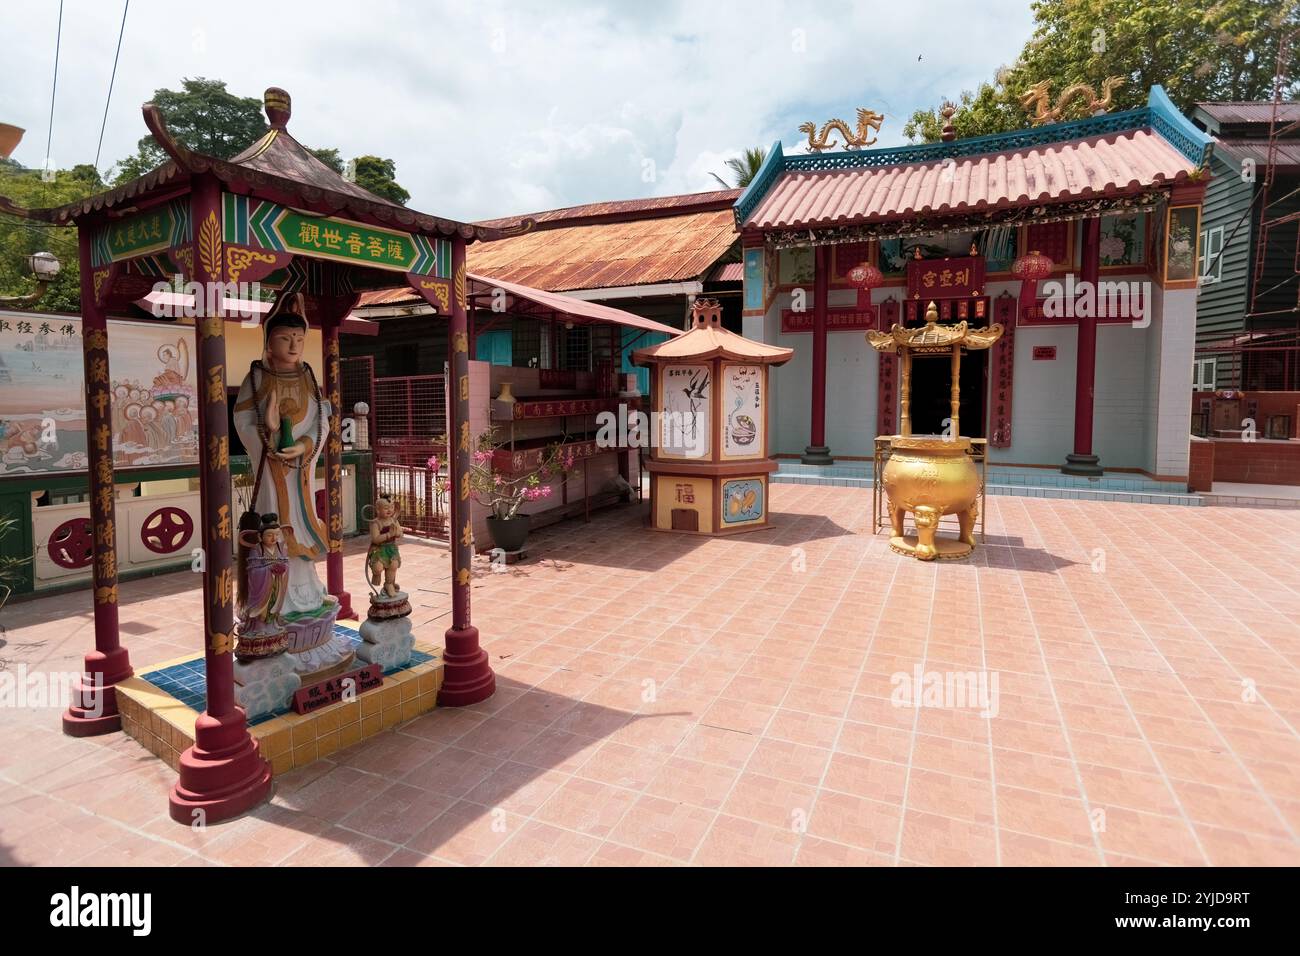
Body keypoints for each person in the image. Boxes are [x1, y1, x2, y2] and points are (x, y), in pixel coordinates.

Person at [366, 494, 404, 598]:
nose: (390, 510)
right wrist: (389, 535)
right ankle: (376, 573)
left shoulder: (393, 521)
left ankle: (389, 584)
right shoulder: (375, 523)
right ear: (378, 510)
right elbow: (375, 539)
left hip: (391, 548)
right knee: (378, 568)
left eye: (391, 507)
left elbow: (400, 532)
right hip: (379, 549)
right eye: (386, 508)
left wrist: (398, 532)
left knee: (394, 565)